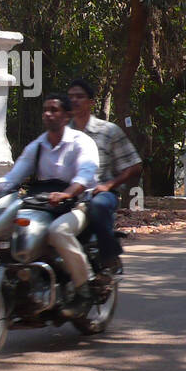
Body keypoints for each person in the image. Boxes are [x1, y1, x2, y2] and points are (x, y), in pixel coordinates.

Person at [0, 92, 101, 314]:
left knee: (58, 232)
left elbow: (85, 176)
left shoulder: (81, 143)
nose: (48, 114)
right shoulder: (36, 146)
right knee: (6, 228)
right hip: (41, 205)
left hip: (77, 204)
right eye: (45, 110)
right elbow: (12, 178)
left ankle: (84, 290)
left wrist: (66, 193)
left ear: (66, 116)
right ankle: (21, 281)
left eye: (54, 110)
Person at [67, 78, 142, 272]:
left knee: (98, 207)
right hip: (69, 192)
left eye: (80, 97)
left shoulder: (108, 131)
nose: (74, 101)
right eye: (70, 97)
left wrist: (108, 185)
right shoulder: (63, 133)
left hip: (100, 192)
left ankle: (109, 255)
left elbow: (134, 165)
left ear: (91, 102)